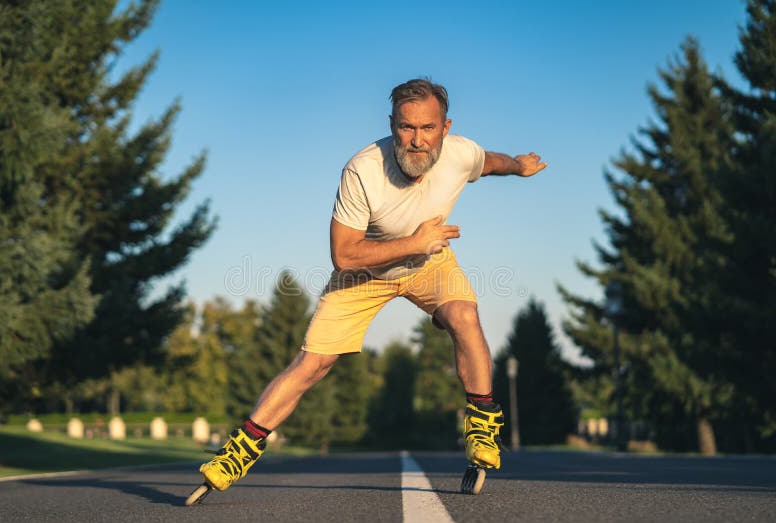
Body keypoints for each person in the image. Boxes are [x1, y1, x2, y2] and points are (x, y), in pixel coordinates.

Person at [199, 78, 547, 492]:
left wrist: (519, 167)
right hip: (363, 273)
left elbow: (490, 162)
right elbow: (344, 255)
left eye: (428, 128)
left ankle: (483, 425)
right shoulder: (362, 170)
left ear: (445, 128)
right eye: (406, 127)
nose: (417, 141)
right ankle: (238, 452)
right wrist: (415, 241)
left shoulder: (460, 153)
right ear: (392, 124)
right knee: (312, 364)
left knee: (464, 315)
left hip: (427, 265)